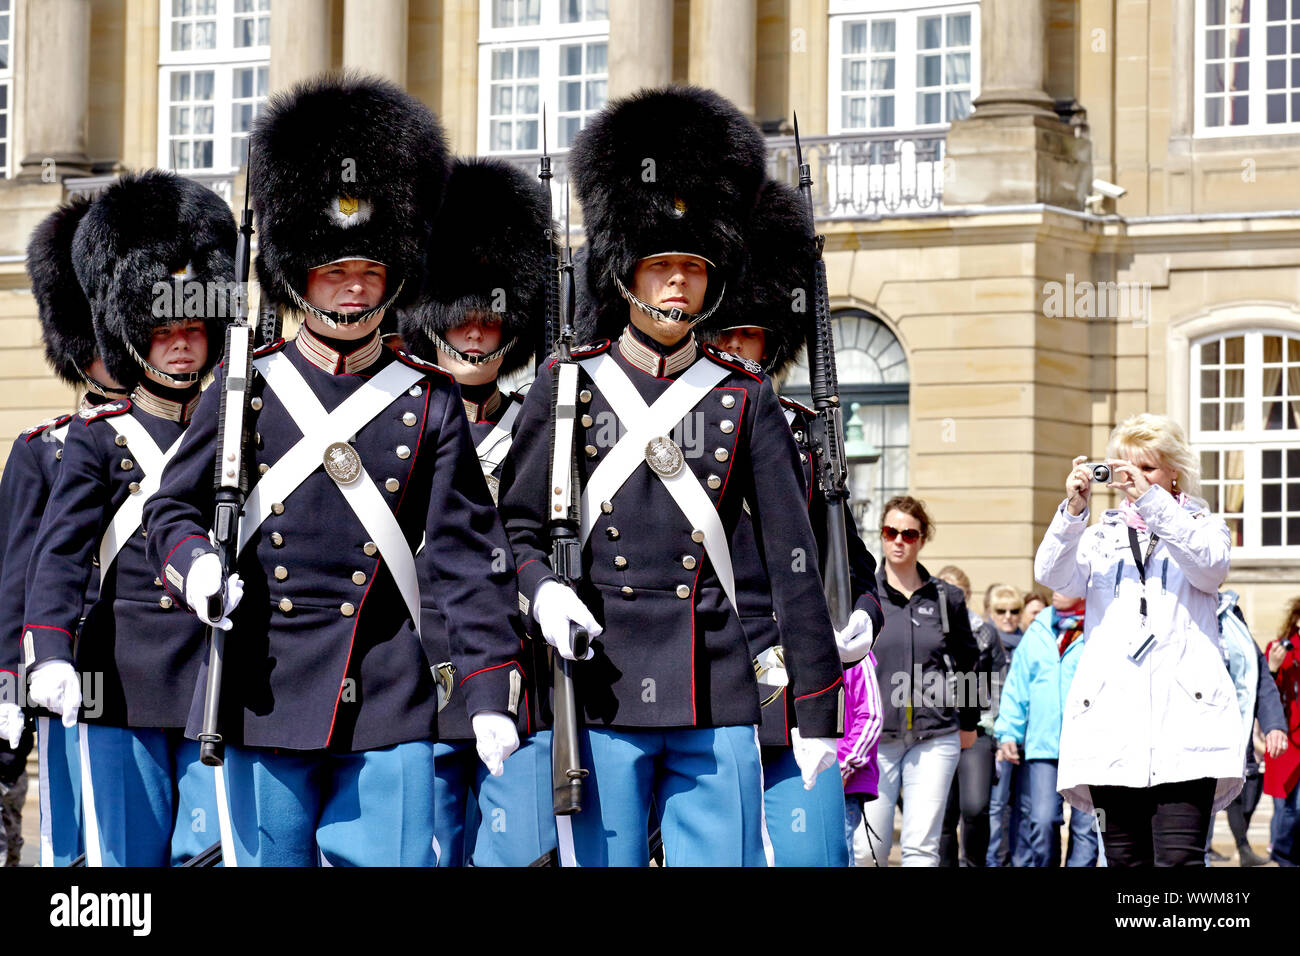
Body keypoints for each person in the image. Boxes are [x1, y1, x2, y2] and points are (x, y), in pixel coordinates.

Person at [144, 74, 527, 867]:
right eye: (333, 272)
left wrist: (491, 689)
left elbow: (467, 556)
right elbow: (169, 516)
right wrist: (198, 569)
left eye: (369, 273)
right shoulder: (247, 386)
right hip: (263, 682)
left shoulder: (426, 402)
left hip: (385, 695)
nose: (354, 288)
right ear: (299, 278)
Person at [498, 85, 845, 867]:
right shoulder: (568, 382)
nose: (679, 284)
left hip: (716, 685)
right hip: (602, 677)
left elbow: (792, 561)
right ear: (625, 273)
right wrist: (541, 589)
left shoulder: (742, 394)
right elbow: (514, 530)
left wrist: (818, 708)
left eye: (692, 267)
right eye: (661, 267)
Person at [22, 171, 234, 866]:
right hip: (122, 680)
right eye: (162, 331)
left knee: (209, 857)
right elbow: (58, 553)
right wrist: (48, 650)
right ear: (133, 335)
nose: (179, 345)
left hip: (217, 676)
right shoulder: (99, 435)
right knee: (124, 872)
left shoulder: (241, 429)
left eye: (193, 331)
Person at [701, 177, 883, 866]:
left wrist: (865, 607)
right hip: (709, 673)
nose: (745, 350)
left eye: (755, 337)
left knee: (814, 854)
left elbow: (848, 550)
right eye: (731, 335)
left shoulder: (803, 434)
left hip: (800, 678)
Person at [397, 156, 555, 867]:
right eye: (458, 319)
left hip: (519, 672)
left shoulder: (535, 424)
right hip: (414, 671)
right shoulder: (398, 424)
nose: (474, 335)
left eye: (490, 322)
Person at [1036, 413, 1243, 866]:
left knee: (1179, 861)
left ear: (1173, 471)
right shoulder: (1099, 537)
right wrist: (1072, 512)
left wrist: (1153, 503)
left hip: (1187, 724)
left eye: (1148, 469)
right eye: (1126, 468)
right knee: (1124, 860)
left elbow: (1210, 568)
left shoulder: (1204, 526)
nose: (1134, 479)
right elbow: (1054, 577)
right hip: (1112, 726)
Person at [0, 196, 128, 867]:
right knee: (84, 854)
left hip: (185, 675)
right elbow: (19, 580)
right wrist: (6, 687)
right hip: (80, 675)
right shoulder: (44, 449)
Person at [863, 496, 981, 866]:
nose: (899, 540)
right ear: (882, 536)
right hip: (874, 739)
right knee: (869, 849)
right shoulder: (863, 595)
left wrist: (969, 722)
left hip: (935, 736)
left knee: (921, 847)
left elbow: (969, 662)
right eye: (890, 531)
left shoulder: (947, 599)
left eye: (909, 534)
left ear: (921, 539)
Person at [994, 591, 1098, 866]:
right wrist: (1008, 731)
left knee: (1088, 829)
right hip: (1044, 746)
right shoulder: (1038, 629)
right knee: (1041, 821)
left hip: (1090, 749)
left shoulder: (1100, 625)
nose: (1057, 589)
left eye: (1066, 583)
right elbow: (1018, 683)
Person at [936, 564, 1004, 867]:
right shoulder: (925, 631)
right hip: (936, 727)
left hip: (976, 728)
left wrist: (991, 723)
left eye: (957, 596)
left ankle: (974, 863)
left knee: (975, 807)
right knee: (943, 814)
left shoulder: (984, 632)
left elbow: (998, 680)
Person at [1215, 590, 1287, 866]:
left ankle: (1242, 845)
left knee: (1246, 789)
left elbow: (1257, 673)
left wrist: (1274, 725)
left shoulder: (1229, 611)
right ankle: (1242, 847)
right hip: (1182, 738)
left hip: (1237, 729)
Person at [1264, 596, 1300, 866]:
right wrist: (1274, 668)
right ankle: (1282, 856)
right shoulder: (1279, 650)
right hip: (1286, 742)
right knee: (1286, 808)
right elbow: (1265, 693)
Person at [840, 652, 884, 867]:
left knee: (840, 856)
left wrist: (844, 766)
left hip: (843, 784)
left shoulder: (854, 652)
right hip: (794, 777)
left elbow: (871, 716)